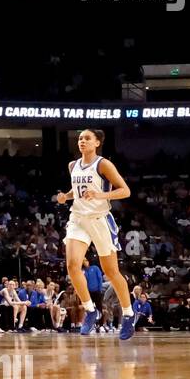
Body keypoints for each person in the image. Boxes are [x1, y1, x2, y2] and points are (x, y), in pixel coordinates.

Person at [55, 129, 137, 340]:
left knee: (111, 272)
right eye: (80, 138)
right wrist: (67, 196)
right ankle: (90, 309)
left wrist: (100, 195)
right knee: (72, 265)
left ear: (97, 143)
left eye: (87, 138)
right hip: (78, 218)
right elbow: (78, 190)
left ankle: (128, 313)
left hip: (100, 219)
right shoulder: (72, 165)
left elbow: (125, 191)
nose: (82, 141)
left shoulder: (103, 164)